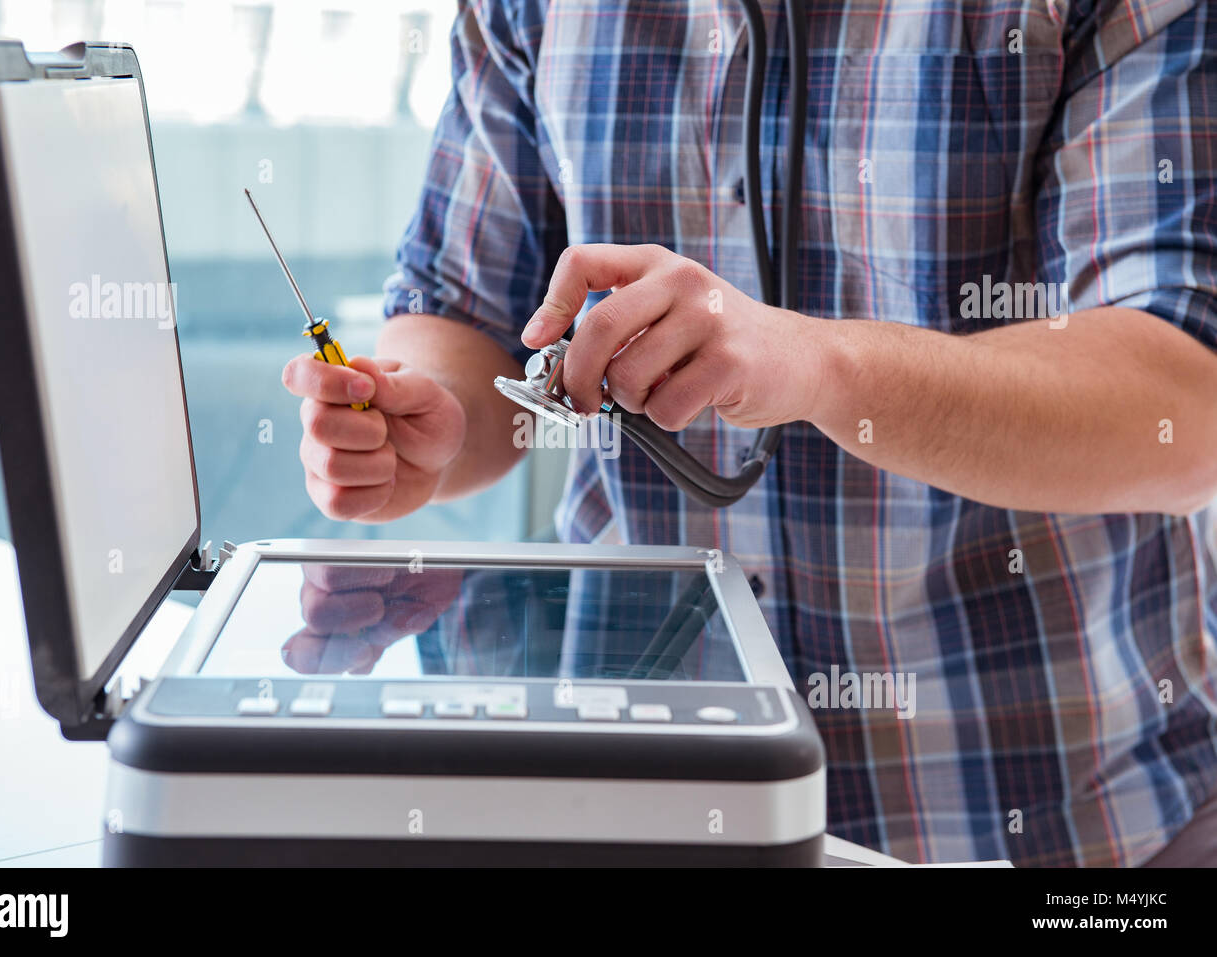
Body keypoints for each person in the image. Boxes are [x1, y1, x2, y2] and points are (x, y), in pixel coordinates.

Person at [282, 0, 1217, 867]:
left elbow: (1186, 406)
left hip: (1072, 830)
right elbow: (460, 313)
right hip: (645, 809)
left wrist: (815, 366)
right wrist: (421, 422)